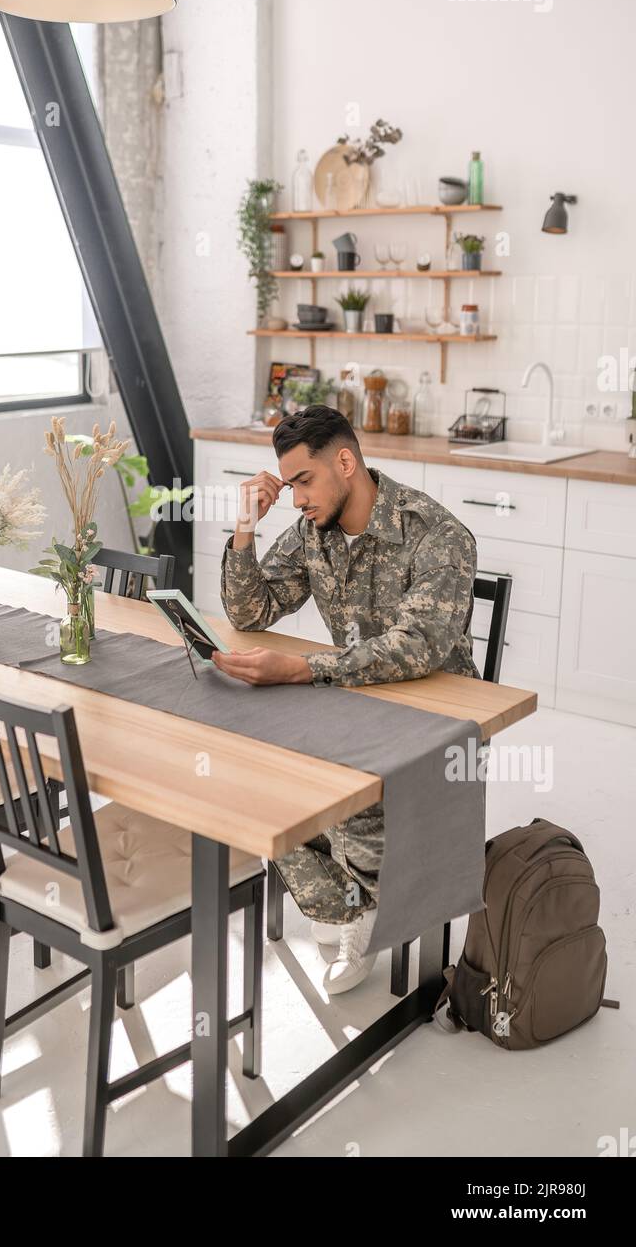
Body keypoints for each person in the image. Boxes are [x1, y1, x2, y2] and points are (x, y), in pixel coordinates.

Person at [213, 405, 479, 995]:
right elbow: (250, 611)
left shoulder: (438, 535)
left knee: (341, 797)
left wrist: (303, 669)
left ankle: (365, 902)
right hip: (352, 703)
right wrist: (245, 528)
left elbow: (419, 647)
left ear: (346, 461)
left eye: (304, 481)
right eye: (288, 486)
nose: (297, 499)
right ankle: (349, 910)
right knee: (259, 774)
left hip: (434, 724)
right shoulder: (315, 529)